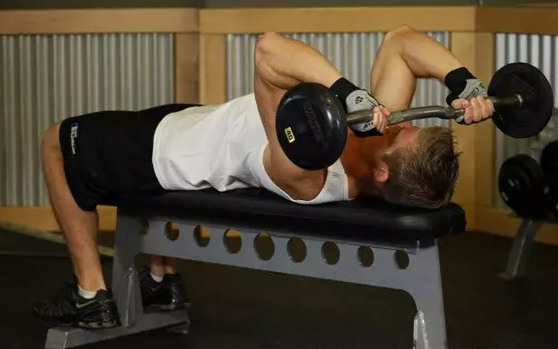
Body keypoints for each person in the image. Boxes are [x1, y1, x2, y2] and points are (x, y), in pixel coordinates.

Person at [31, 26, 494, 329]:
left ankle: (89, 293)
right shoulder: (376, 135)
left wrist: (346, 92)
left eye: (405, 132)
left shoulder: (307, 173)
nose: (402, 119)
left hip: (167, 153)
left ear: (381, 170)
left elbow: (268, 49)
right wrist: (464, 81)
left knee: (58, 140)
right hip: (200, 122)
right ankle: (160, 280)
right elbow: (400, 42)